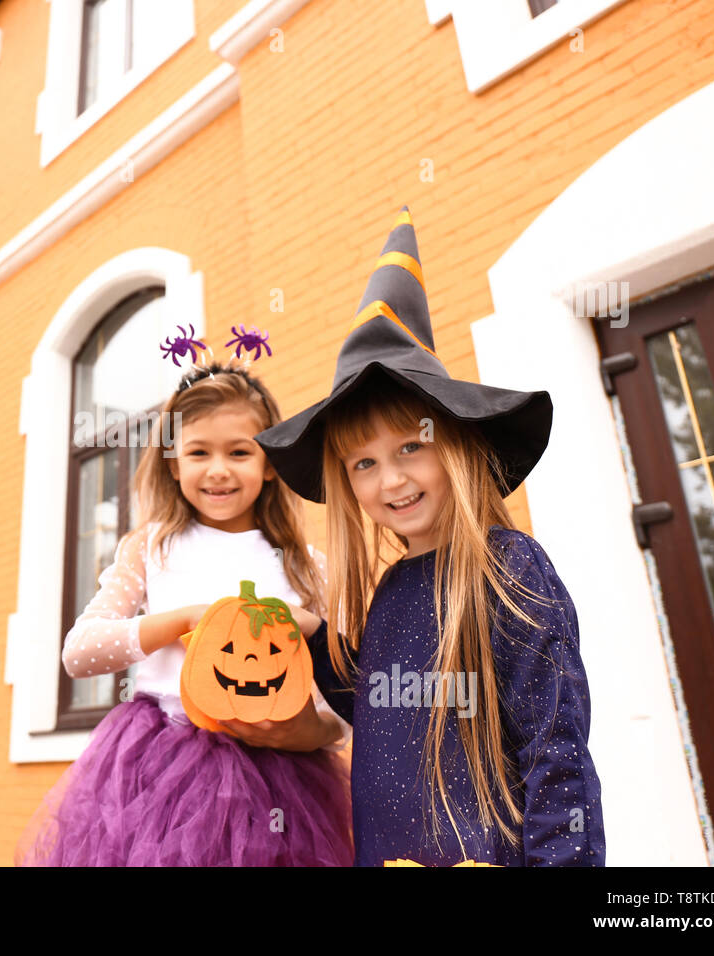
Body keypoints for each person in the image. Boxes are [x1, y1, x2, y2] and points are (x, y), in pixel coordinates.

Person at [253, 207, 606, 866]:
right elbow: (386, 714)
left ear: (458, 446)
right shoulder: (390, 589)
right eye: (364, 463)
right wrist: (307, 634)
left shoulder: (509, 571)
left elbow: (556, 757)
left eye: (412, 447)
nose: (391, 480)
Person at [15, 357, 354, 866]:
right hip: (163, 770)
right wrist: (182, 620)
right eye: (199, 452)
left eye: (240, 451)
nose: (218, 469)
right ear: (174, 463)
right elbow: (80, 652)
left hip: (284, 780)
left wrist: (311, 732)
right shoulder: (153, 548)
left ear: (268, 463)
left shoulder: (308, 567)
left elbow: (343, 696)